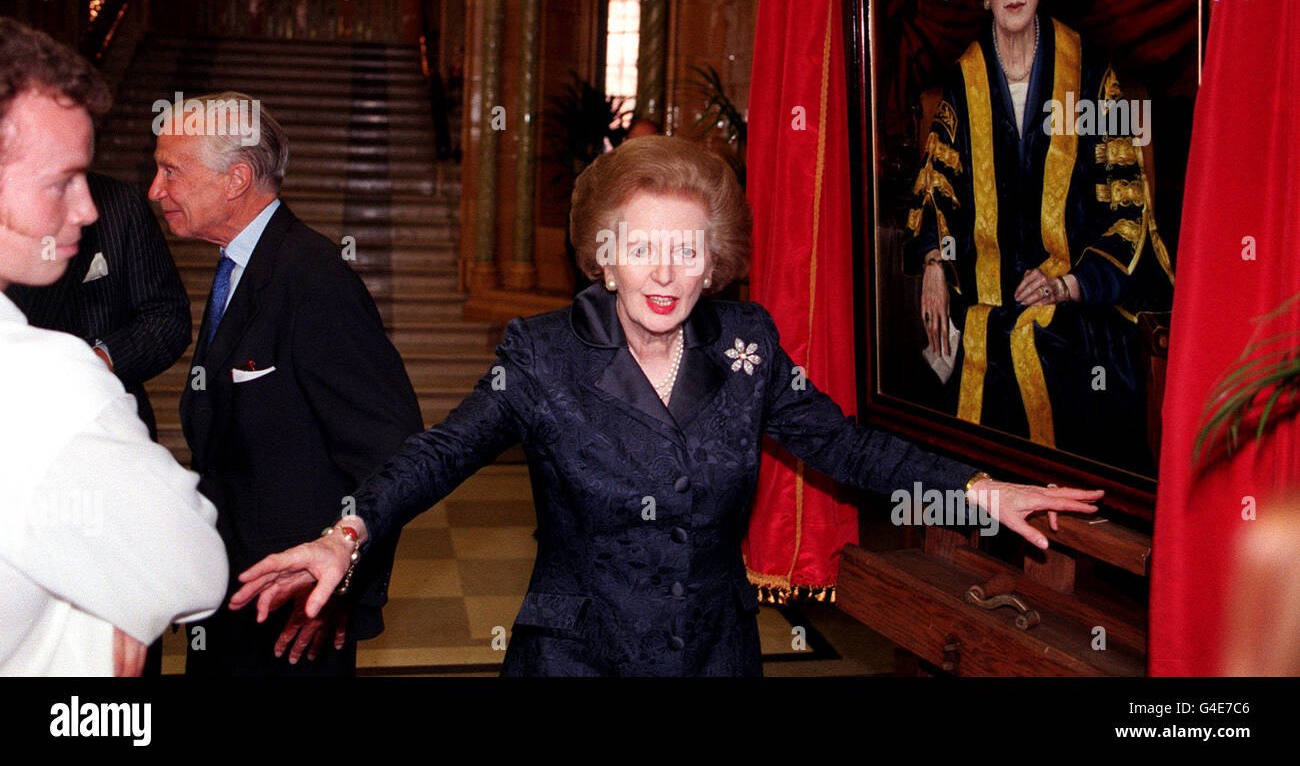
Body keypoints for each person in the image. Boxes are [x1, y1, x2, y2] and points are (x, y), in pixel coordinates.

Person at [231, 134, 1103, 677]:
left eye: (687, 250)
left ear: (713, 261)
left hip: (711, 654)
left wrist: (977, 488)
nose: (663, 271)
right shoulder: (542, 354)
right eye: (639, 247)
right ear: (602, 257)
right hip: (577, 654)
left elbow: (846, 448)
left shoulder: (744, 344)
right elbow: (439, 455)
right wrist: (345, 534)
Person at [904, 0, 1173, 466]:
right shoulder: (963, 81)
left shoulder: (1092, 73)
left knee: (1042, 342)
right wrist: (930, 261)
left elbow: (1128, 216)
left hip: (1080, 306)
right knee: (971, 339)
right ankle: (978, 529)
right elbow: (934, 188)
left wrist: (1066, 283)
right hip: (985, 297)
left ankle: (1057, 533)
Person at [150, 91, 423, 676]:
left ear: (236, 178)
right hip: (236, 599)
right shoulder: (241, 267)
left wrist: (343, 583)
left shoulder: (311, 279)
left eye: (171, 169)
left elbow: (391, 450)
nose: (155, 189)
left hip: (294, 614)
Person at [0, 17, 227, 676]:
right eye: (59, 181)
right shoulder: (42, 379)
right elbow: (194, 568)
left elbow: (164, 319)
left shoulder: (119, 210)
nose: (87, 208)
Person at [6, 171, 191, 441]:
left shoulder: (117, 202)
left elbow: (167, 318)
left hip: (104, 433)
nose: (86, 211)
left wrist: (97, 362)